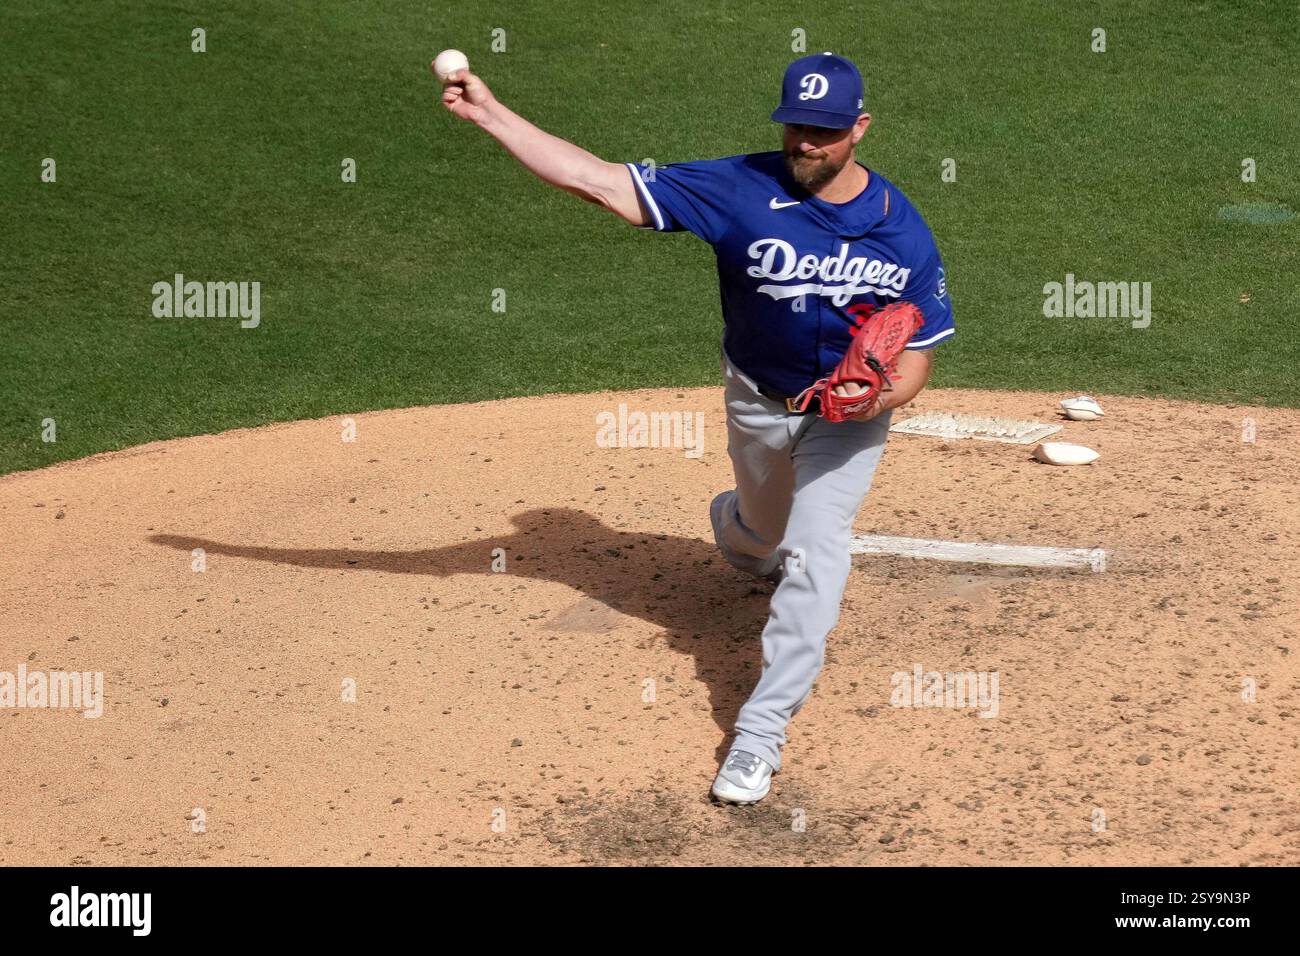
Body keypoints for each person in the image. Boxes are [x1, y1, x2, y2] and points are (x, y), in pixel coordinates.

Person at [439, 51, 954, 804]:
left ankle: (760, 732)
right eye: (796, 127)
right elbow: (600, 181)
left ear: (860, 129)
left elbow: (915, 359)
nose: (806, 143)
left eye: (825, 131)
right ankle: (739, 525)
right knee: (760, 543)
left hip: (845, 427)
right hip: (757, 400)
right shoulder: (737, 187)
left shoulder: (900, 229)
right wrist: (491, 113)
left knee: (814, 557)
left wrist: (875, 401)